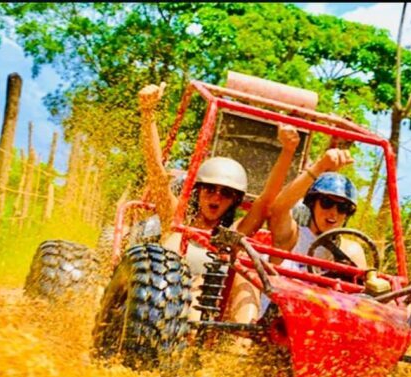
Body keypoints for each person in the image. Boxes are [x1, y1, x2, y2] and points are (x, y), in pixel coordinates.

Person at [138, 84, 300, 321]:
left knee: (248, 273)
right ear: (198, 190)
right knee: (173, 242)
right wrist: (147, 113)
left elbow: (266, 201)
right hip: (155, 311)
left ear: (234, 200)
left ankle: (238, 349)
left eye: (225, 192)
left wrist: (288, 151)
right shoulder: (176, 218)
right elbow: (156, 172)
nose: (216, 197)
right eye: (210, 189)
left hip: (201, 319)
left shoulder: (233, 236)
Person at [267, 148, 367, 272]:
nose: (333, 212)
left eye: (342, 208)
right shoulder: (293, 236)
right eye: (327, 203)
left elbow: (362, 287)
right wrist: (320, 166)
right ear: (313, 204)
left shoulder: (351, 251)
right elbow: (278, 209)